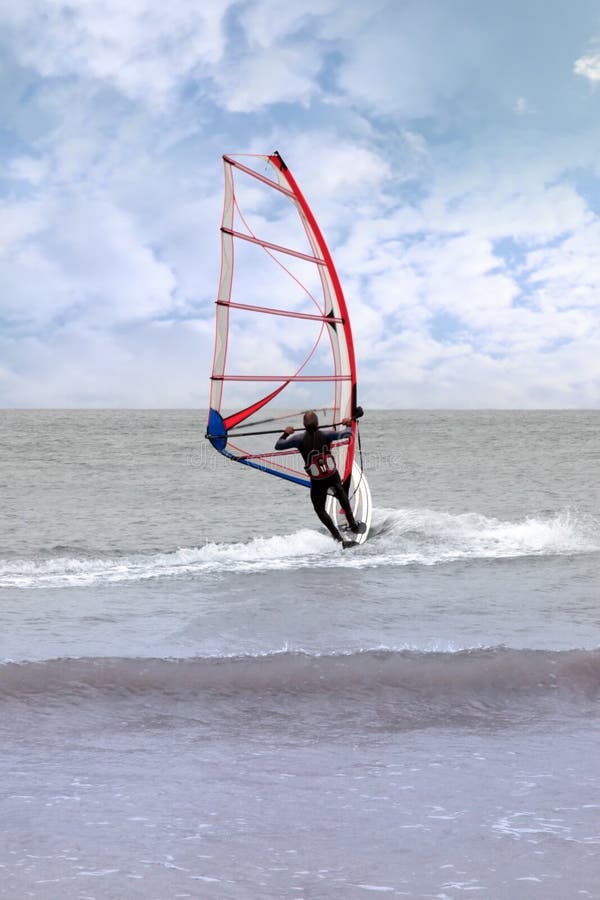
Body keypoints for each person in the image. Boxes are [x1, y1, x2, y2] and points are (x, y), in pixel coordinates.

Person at [275, 410, 365, 546]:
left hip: (317, 481)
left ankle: (338, 538)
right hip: (331, 475)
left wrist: (286, 433)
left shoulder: (298, 439)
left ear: (304, 426)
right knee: (340, 493)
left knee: (320, 509)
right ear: (318, 424)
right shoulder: (327, 434)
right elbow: (348, 434)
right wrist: (348, 424)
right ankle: (353, 525)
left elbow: (278, 445)